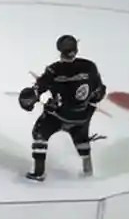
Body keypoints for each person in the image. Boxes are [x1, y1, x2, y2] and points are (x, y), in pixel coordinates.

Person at [18, 35, 105, 181]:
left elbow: (37, 90)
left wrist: (29, 100)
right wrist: (87, 109)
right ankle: (88, 172)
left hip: (59, 115)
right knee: (82, 140)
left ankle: (39, 173)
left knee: (40, 132)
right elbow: (100, 92)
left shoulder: (54, 70)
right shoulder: (90, 67)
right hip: (82, 117)